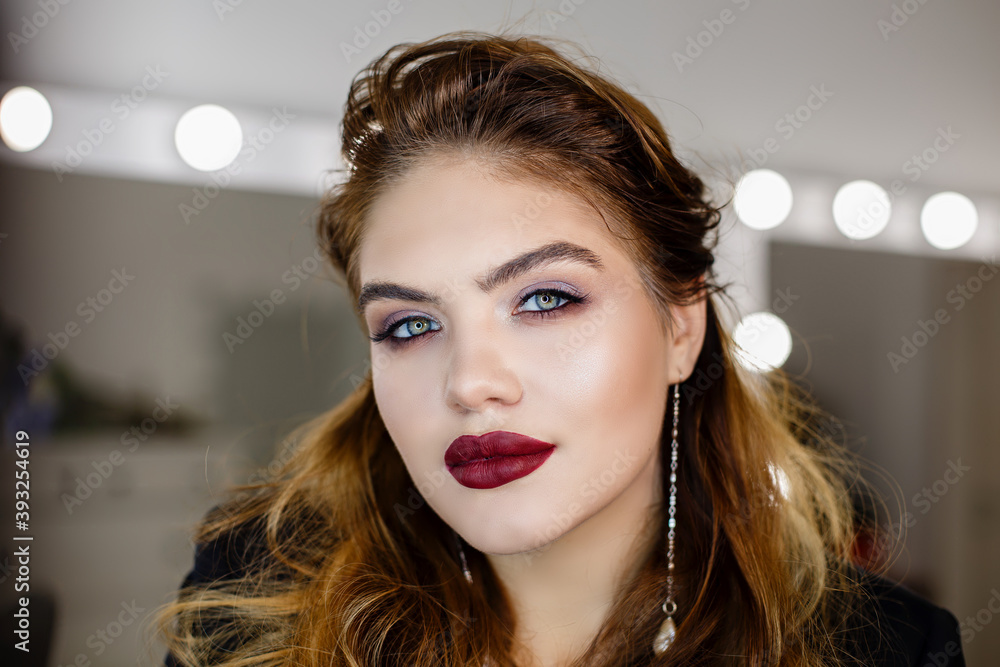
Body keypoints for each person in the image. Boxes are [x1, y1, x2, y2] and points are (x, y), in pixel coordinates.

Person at [154, 31, 965, 666]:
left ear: (681, 327)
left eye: (545, 298)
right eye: (409, 324)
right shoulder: (249, 601)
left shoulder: (888, 648)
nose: (472, 383)